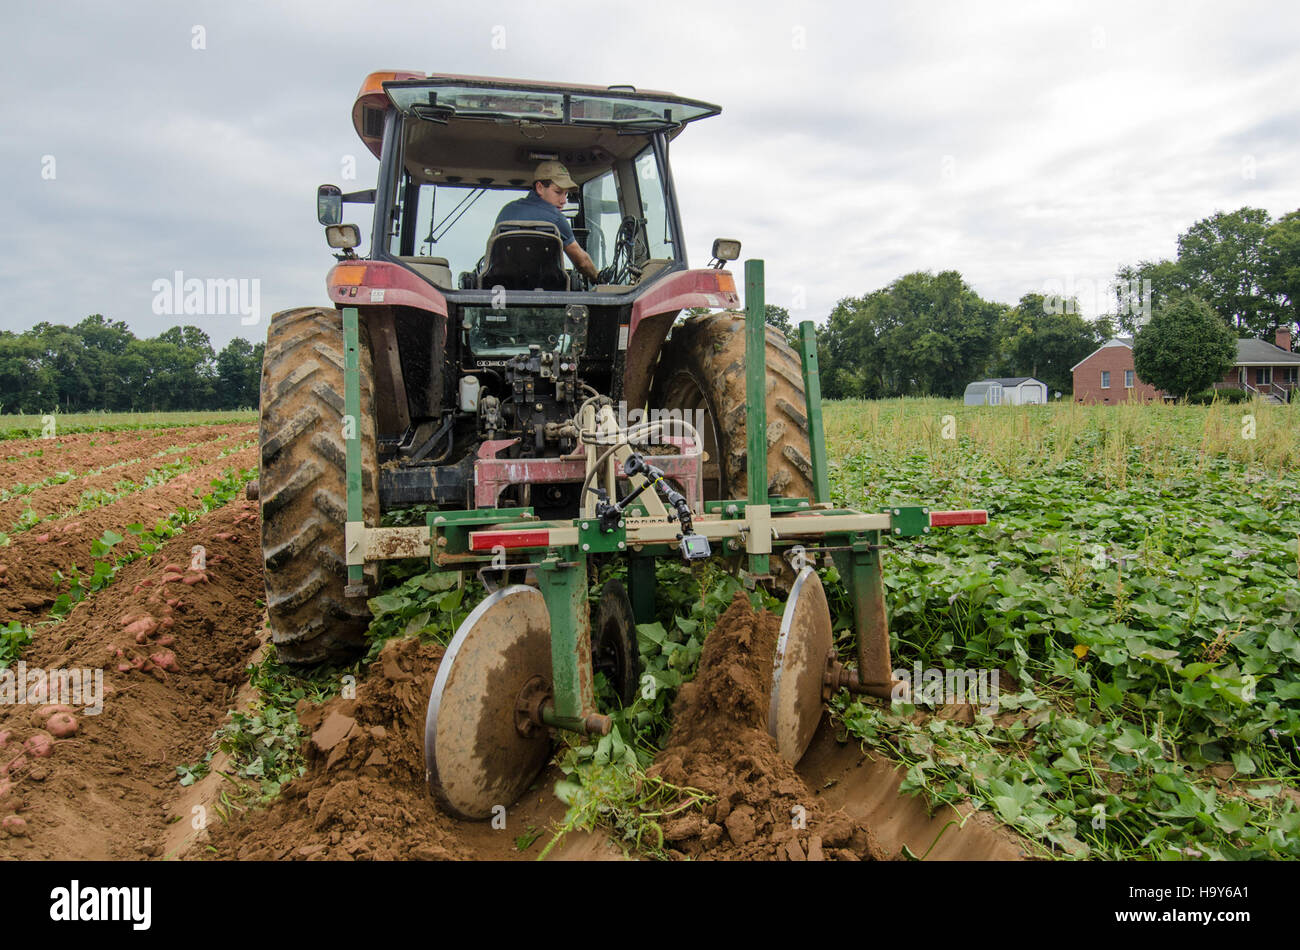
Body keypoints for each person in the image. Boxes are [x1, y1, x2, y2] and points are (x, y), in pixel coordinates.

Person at [493, 160, 599, 282]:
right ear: (539, 188)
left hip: (503, 290)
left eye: (566, 194)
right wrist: (598, 278)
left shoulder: (506, 210)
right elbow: (582, 263)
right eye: (558, 192)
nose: (564, 200)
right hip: (546, 292)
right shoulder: (556, 218)